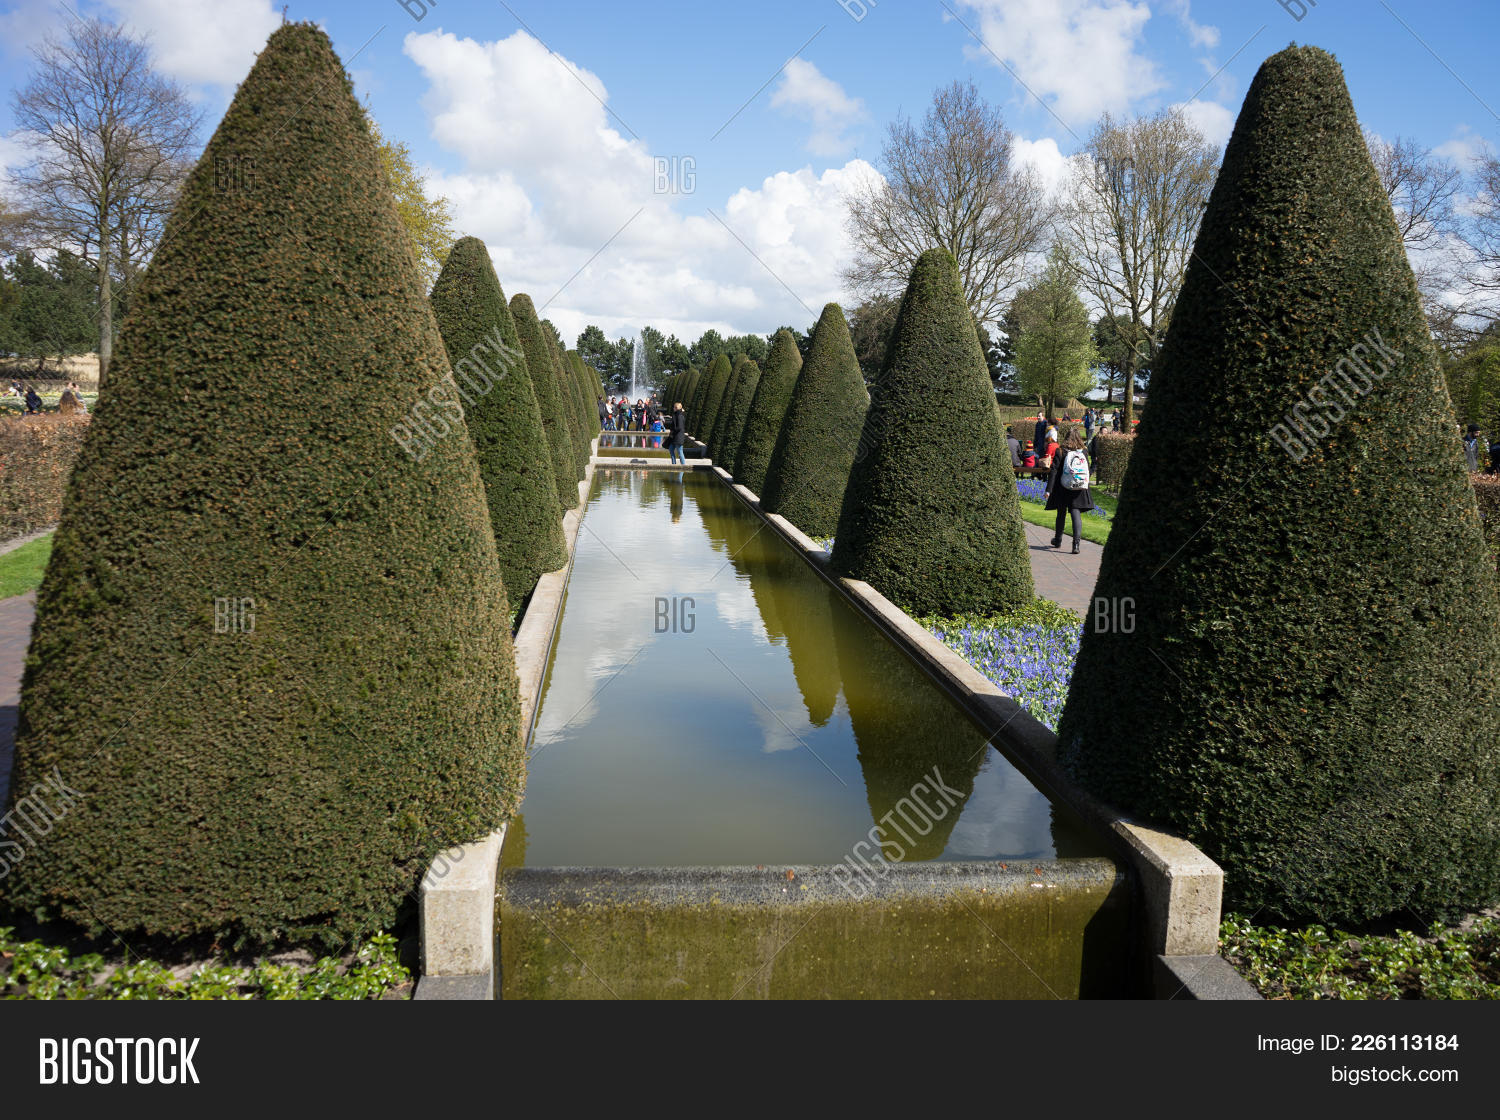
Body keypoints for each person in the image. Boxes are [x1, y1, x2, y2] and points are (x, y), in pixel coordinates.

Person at [1045, 430, 1095, 554]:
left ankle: (1058, 540)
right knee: (1075, 513)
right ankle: (1076, 545)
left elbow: (1054, 471)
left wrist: (1048, 490)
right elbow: (1087, 469)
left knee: (1061, 514)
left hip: (1063, 487)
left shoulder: (1061, 451)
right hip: (1079, 487)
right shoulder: (1083, 451)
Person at [668, 401, 688, 466]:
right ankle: (674, 465)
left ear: (676, 408)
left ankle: (683, 466)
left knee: (680, 452)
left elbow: (679, 427)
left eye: (674, 407)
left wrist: (673, 430)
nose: (673, 408)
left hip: (678, 437)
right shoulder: (677, 415)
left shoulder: (679, 416)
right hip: (675, 437)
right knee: (671, 449)